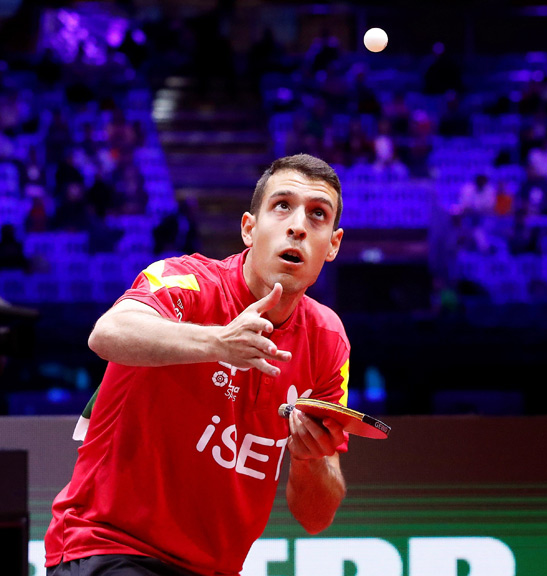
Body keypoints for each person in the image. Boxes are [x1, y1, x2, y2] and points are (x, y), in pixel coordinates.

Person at [45, 154, 353, 576]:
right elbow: (108, 333)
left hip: (213, 568)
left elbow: (317, 517)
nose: (298, 225)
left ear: (332, 244)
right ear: (249, 228)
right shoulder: (187, 282)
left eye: (317, 214)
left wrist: (309, 459)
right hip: (108, 544)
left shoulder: (328, 341)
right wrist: (218, 342)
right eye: (282, 205)